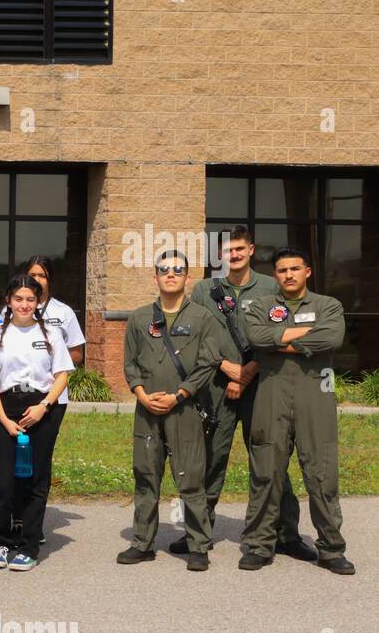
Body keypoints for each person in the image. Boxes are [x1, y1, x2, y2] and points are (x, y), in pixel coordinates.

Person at [190, 226, 314, 561]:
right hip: (216, 387)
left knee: (269, 462)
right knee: (211, 461)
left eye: (240, 249)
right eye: (228, 250)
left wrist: (246, 372)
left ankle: (286, 534)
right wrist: (225, 367)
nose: (234, 255)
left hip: (262, 385)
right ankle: (198, 534)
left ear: (251, 250)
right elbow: (195, 337)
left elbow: (284, 334)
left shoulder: (272, 287)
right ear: (221, 254)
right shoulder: (205, 290)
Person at [239, 247, 353, 575]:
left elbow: (332, 337)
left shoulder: (328, 305)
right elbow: (257, 336)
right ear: (275, 275)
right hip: (271, 395)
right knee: (266, 471)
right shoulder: (262, 305)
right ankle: (260, 544)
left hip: (315, 395)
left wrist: (280, 341)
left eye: (295, 268)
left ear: (307, 272)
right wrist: (306, 338)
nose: (288, 274)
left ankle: (331, 549)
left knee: (321, 472)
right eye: (282, 270)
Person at [115, 251, 221, 572]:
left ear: (188, 277)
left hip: (184, 409)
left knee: (190, 478)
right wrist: (141, 394)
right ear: (155, 276)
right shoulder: (138, 318)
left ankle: (198, 545)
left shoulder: (203, 317)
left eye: (178, 269)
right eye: (164, 270)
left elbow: (208, 362)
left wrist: (179, 394)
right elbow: (130, 363)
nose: (170, 274)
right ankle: (143, 543)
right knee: (146, 476)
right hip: (147, 409)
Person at [0, 274, 74, 572]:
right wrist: (4, 420)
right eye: (19, 299)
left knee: (35, 479)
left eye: (31, 299)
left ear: (38, 302)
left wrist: (43, 406)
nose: (24, 305)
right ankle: (0, 541)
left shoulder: (50, 334)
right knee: (5, 482)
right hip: (4, 407)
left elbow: (62, 375)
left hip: (42, 407)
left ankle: (28, 545)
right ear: (8, 300)